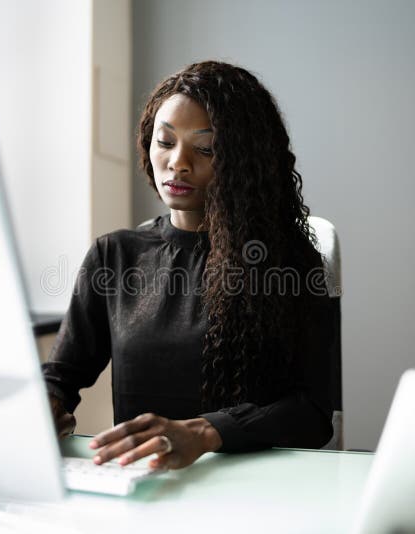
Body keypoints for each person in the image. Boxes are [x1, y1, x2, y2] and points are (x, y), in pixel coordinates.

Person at [42, 61, 340, 470]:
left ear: (243, 160)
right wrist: (46, 404)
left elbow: (313, 414)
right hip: (145, 487)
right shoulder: (114, 257)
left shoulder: (287, 264)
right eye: (165, 142)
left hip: (255, 490)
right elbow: (61, 375)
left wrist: (204, 433)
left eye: (205, 149)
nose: (178, 162)